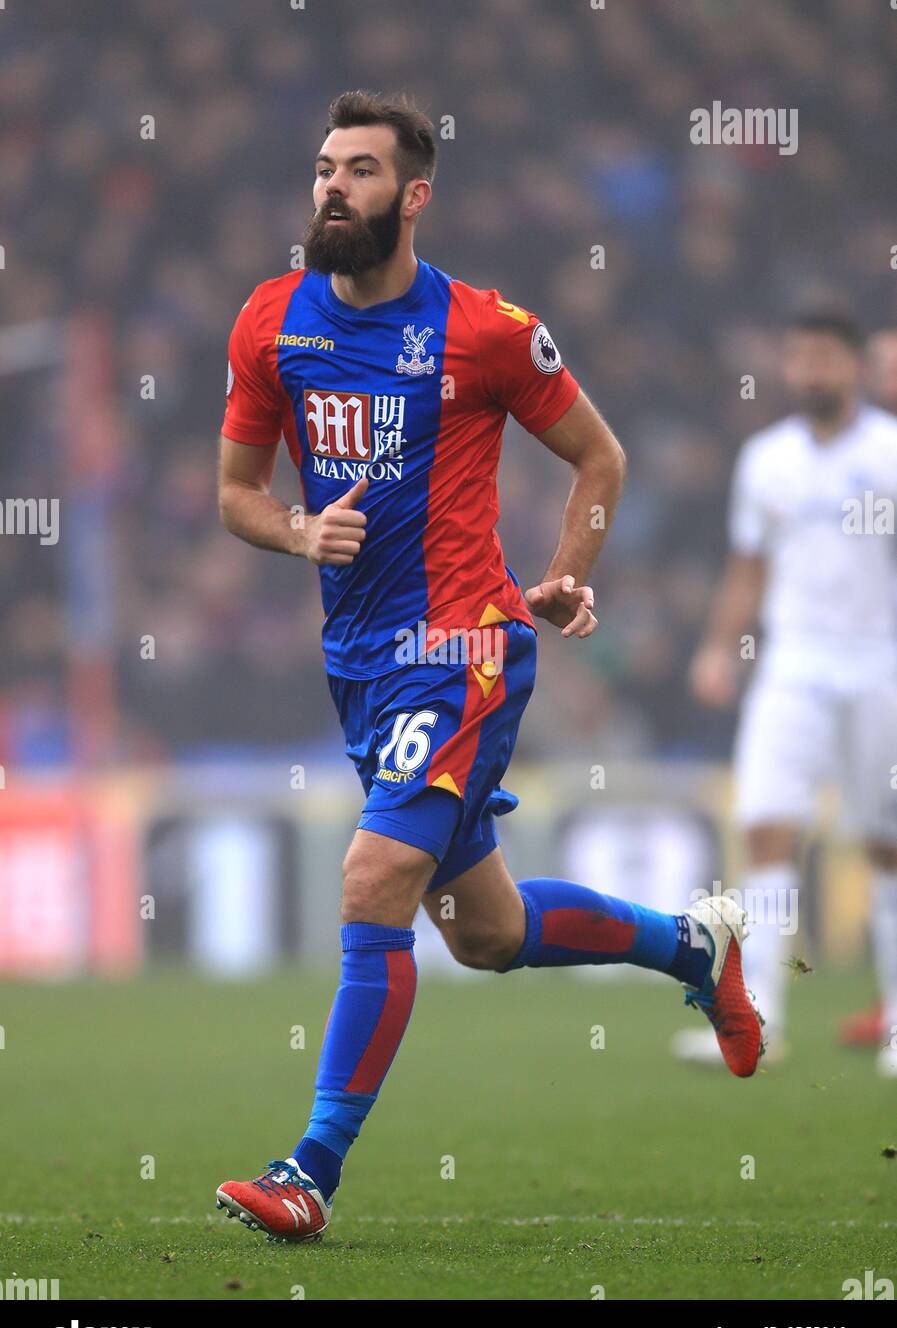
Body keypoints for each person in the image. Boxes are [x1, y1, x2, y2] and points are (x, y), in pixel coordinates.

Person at [214, 90, 761, 1244]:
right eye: (323, 167)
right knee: (487, 932)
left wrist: (563, 573)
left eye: (359, 171)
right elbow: (234, 496)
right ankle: (693, 946)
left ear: (413, 197)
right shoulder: (271, 321)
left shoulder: (487, 330)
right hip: (358, 658)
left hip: (463, 644)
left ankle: (309, 1170)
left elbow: (598, 457)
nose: (331, 187)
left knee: (371, 883)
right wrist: (300, 532)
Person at [682, 311, 897, 1078]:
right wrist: (718, 648)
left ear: (852, 366)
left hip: (878, 663)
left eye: (824, 358)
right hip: (790, 663)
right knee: (767, 828)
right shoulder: (765, 459)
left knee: (885, 843)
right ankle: (757, 1017)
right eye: (798, 356)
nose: (809, 371)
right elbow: (748, 566)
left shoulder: (887, 453)